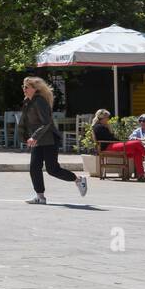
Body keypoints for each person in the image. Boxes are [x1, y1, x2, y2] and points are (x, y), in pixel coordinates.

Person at [20, 76, 87, 204]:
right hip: (39, 139)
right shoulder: (28, 101)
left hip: (49, 138)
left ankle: (78, 180)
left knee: (52, 169)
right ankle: (40, 196)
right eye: (23, 87)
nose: (24, 89)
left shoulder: (39, 101)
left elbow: (46, 123)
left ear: (35, 89)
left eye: (26, 87)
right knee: (34, 167)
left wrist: (34, 136)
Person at [91, 110, 145, 180]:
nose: (108, 119)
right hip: (107, 147)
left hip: (111, 145)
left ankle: (141, 175)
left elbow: (111, 138)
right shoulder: (98, 127)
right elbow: (110, 139)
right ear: (102, 118)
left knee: (137, 151)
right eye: (107, 118)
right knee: (137, 142)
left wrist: (122, 141)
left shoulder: (103, 126)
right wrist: (122, 142)